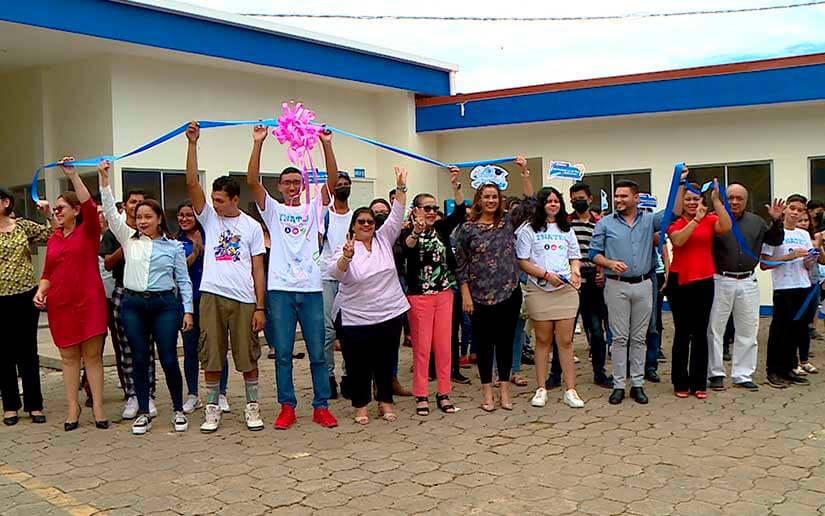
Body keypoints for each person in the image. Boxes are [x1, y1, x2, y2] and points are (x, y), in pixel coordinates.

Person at [246, 123, 338, 430]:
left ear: (303, 184)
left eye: (297, 181)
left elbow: (333, 182)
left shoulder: (313, 208)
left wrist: (326, 144)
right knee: (283, 353)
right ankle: (287, 407)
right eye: (286, 182)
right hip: (280, 290)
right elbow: (252, 181)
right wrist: (258, 142)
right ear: (280, 186)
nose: (292, 186)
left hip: (311, 289)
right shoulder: (272, 210)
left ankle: (321, 406)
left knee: (317, 353)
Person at [99, 161, 193, 434]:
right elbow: (109, 211)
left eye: (147, 217)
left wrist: (187, 310)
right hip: (133, 305)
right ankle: (143, 411)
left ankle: (177, 410)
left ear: (159, 218)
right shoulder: (128, 239)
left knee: (168, 358)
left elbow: (183, 281)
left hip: (165, 306)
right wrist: (104, 179)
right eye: (139, 217)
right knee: (139, 358)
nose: (142, 221)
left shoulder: (174, 247)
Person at [186, 122, 267, 433]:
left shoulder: (251, 227)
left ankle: (252, 406)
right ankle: (212, 408)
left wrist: (260, 306)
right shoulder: (209, 218)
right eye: (213, 199)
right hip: (211, 296)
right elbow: (191, 183)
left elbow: (258, 269)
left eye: (220, 200)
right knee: (211, 355)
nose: (214, 204)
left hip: (244, 299)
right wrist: (192, 144)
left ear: (234, 199)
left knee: (247, 356)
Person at [329, 167, 409, 424]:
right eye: (361, 222)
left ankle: (385, 402)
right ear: (353, 226)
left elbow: (397, 214)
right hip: (356, 318)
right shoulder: (346, 248)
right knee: (358, 364)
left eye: (370, 222)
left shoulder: (384, 239)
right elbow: (336, 273)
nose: (366, 225)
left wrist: (401, 186)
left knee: (385, 361)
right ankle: (361, 406)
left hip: (389, 313)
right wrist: (346, 257)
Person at [34, 157, 108, 430]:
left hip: (89, 302)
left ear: (76, 211)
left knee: (93, 357)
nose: (56, 212)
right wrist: (41, 291)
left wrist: (73, 174)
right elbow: (47, 273)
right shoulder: (54, 238)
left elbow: (88, 203)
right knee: (68, 359)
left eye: (61, 208)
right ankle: (72, 408)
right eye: (54, 209)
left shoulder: (88, 231)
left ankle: (97, 407)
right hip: (61, 304)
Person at [455, 156, 534, 412]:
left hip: (509, 293)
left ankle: (504, 391)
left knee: (505, 343)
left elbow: (530, 204)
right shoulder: (468, 229)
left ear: (500, 200)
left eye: (494, 197)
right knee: (484, 345)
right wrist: (466, 294)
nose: (491, 200)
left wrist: (524, 172)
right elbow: (461, 265)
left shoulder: (508, 222)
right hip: (479, 297)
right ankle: (487, 392)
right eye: (486, 197)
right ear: (479, 200)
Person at [590, 179, 663, 405]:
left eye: (623, 196)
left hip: (644, 284)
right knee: (620, 338)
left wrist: (680, 183)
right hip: (616, 285)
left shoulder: (650, 220)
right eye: (617, 196)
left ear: (636, 198)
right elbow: (594, 253)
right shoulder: (605, 223)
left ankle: (638, 384)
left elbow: (673, 212)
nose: (618, 200)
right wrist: (610, 264)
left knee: (639, 337)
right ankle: (619, 385)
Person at [707, 183, 784, 391]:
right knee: (715, 329)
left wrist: (777, 221)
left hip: (748, 281)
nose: (734, 202)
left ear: (746, 200)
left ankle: (742, 374)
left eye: (739, 198)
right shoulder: (714, 219)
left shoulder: (756, 222)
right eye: (730, 197)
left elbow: (775, 241)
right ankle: (715, 373)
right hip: (720, 279)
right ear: (724, 199)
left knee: (748, 329)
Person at [401, 167, 464, 416]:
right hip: (420, 297)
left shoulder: (441, 229)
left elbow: (460, 212)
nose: (431, 212)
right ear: (415, 210)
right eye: (426, 208)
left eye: (434, 208)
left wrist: (455, 184)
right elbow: (407, 247)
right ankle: (421, 394)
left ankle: (444, 392)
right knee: (422, 348)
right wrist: (417, 230)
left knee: (445, 346)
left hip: (444, 294)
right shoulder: (408, 232)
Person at [517, 187, 585, 409]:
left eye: (556, 201)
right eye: (548, 201)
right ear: (541, 205)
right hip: (540, 290)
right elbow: (523, 261)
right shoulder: (528, 229)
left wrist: (575, 271)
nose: (553, 204)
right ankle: (541, 388)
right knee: (543, 340)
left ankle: (570, 390)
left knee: (565, 341)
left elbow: (574, 256)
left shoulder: (567, 229)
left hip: (565, 290)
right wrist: (545, 275)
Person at [666, 179, 731, 399]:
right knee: (683, 332)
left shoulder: (710, 219)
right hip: (680, 281)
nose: (692, 203)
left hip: (704, 280)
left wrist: (717, 201)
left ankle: (699, 382)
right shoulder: (675, 222)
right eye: (688, 199)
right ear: (682, 202)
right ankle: (680, 382)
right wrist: (695, 220)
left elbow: (726, 227)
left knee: (701, 332)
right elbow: (679, 241)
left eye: (696, 199)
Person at [100, 187, 158, 419]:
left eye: (142, 202)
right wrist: (127, 244)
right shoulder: (116, 232)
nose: (137, 206)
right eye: (133, 202)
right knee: (126, 348)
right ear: (125, 206)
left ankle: (149, 394)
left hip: (149, 294)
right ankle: (132, 394)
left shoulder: (153, 231)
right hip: (123, 292)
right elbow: (107, 264)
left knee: (147, 348)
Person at [762, 194, 825, 388]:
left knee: (796, 330)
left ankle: (789, 368)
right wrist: (788, 257)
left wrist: (810, 259)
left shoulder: (803, 234)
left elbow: (807, 264)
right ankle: (773, 370)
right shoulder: (774, 233)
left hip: (803, 286)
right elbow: (764, 263)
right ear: (785, 210)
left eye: (800, 210)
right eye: (792, 208)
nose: (795, 213)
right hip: (784, 288)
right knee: (779, 331)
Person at [0, 188, 51, 426]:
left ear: (6, 202)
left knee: (27, 351)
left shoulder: (22, 226)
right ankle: (10, 406)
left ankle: (34, 404)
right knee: (3, 353)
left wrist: (48, 214)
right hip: (0, 298)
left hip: (25, 295)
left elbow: (53, 234)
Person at [176, 202, 230, 414]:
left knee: (217, 346)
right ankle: (193, 394)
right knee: (190, 349)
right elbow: (178, 271)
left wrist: (203, 249)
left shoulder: (211, 235)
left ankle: (221, 393)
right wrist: (195, 253)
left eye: (189, 215)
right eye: (181, 215)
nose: (185, 219)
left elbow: (222, 261)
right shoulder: (176, 242)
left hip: (212, 298)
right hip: (189, 302)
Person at [567, 182, 612, 388]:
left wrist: (602, 272)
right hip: (570, 283)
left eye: (581, 198)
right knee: (565, 332)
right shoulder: (565, 223)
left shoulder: (600, 223)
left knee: (596, 330)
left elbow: (605, 250)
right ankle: (556, 373)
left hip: (594, 282)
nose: (578, 201)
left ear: (590, 199)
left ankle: (599, 372)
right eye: (574, 199)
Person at [370, 198, 414, 396]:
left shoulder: (396, 233)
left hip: (397, 285)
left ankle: (392, 379)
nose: (380, 214)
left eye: (384, 211)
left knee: (393, 338)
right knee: (374, 341)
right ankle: (375, 382)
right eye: (376, 212)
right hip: (373, 291)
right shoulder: (367, 237)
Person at [320, 171, 353, 400]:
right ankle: (328, 377)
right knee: (327, 331)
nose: (342, 187)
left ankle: (349, 376)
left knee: (349, 330)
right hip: (326, 276)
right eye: (338, 184)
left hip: (350, 279)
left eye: (345, 184)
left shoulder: (355, 216)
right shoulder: (324, 216)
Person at [795, 209, 821, 374]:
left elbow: (822, 260)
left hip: (813, 283)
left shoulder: (812, 239)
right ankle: (792, 360)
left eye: (806, 220)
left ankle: (804, 359)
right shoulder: (791, 239)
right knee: (794, 323)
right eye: (800, 220)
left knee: (806, 323)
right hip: (797, 284)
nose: (804, 223)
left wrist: (818, 247)